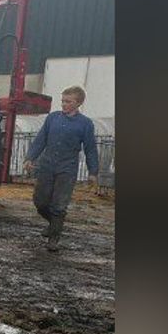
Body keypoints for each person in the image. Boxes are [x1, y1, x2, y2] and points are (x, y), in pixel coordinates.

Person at [27, 85, 99, 252]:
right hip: (47, 166)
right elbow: (40, 140)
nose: (64, 104)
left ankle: (54, 238)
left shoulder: (85, 124)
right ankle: (53, 224)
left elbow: (90, 148)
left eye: (68, 101)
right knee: (41, 201)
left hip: (67, 169)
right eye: (63, 101)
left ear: (78, 103)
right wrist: (30, 157)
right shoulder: (52, 118)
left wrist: (93, 172)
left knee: (59, 205)